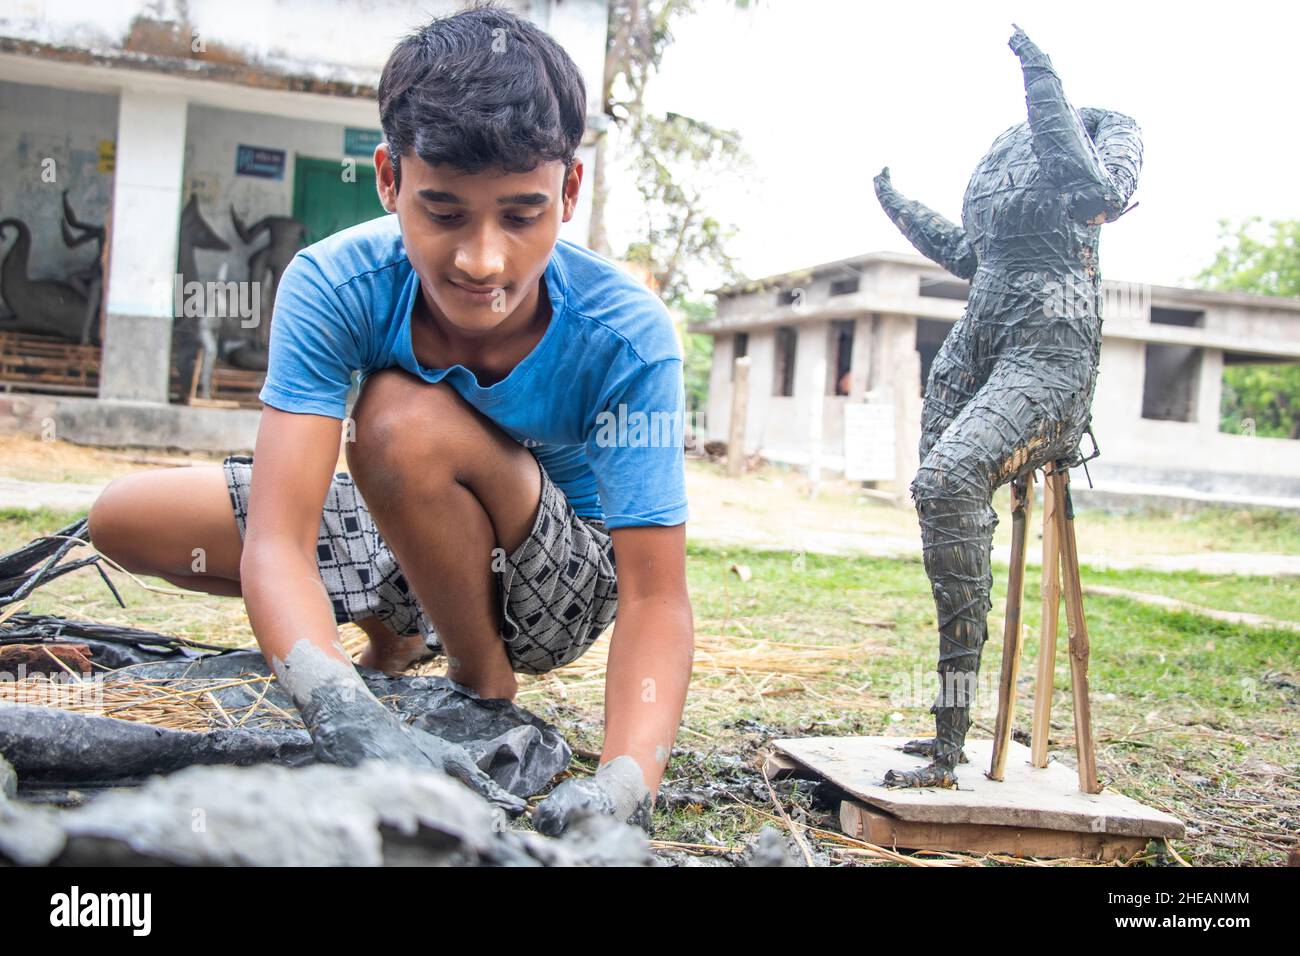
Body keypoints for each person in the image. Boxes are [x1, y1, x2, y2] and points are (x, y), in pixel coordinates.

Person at [86, 3, 694, 836]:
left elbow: (657, 599)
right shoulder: (334, 283)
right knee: (121, 518)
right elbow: (278, 541)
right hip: (415, 541)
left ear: (571, 189)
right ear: (387, 179)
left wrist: (628, 783)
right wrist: (343, 711)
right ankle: (396, 637)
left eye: (522, 215)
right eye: (443, 212)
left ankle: (482, 687)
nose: (484, 261)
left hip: (559, 588)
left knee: (398, 420)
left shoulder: (627, 335)